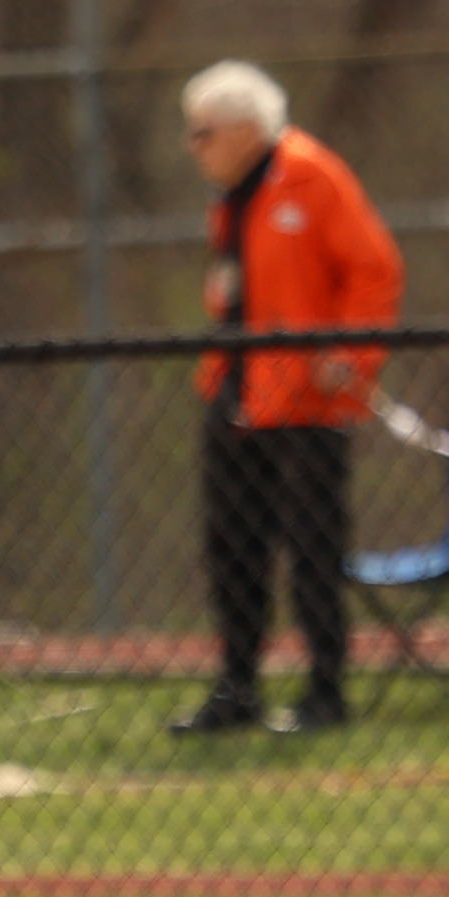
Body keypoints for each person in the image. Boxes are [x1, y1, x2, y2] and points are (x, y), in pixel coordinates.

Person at [169, 60, 403, 736]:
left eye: (202, 132)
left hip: (307, 402)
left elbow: (376, 269)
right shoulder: (230, 197)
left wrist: (351, 357)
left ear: (245, 130)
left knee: (312, 550)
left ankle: (325, 692)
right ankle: (238, 686)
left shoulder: (312, 174)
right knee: (233, 547)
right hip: (236, 390)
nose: (193, 147)